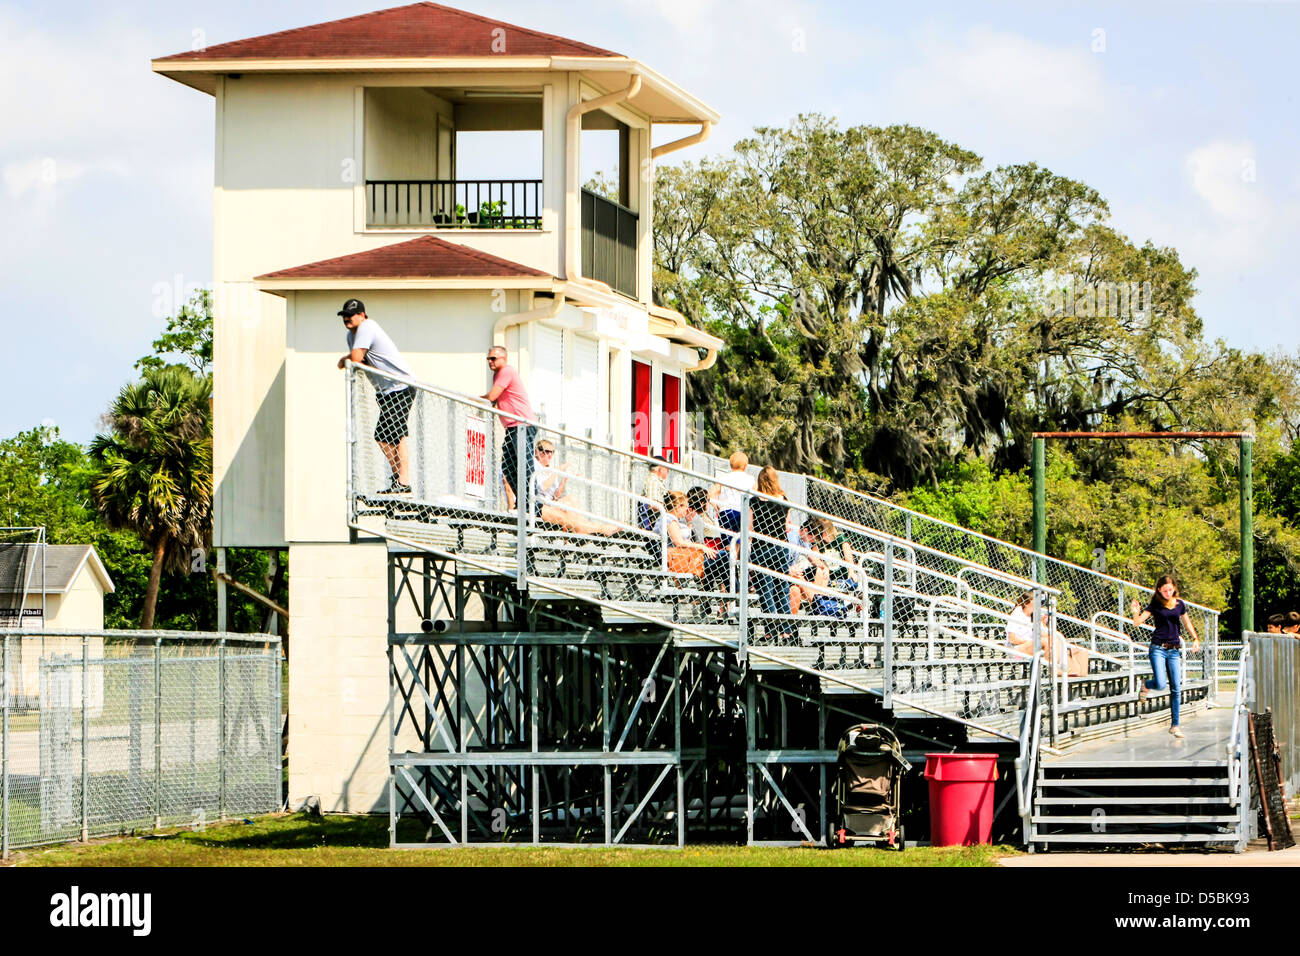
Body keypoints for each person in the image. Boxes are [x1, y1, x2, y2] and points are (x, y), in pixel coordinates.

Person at [336, 298, 414, 495]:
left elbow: (355, 359)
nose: (347, 318)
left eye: (351, 315)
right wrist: (349, 359)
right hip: (385, 391)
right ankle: (398, 478)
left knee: (398, 434)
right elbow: (355, 359)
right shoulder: (350, 336)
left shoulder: (367, 326)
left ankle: (404, 481)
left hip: (401, 386)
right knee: (382, 436)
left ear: (362, 315)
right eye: (344, 316)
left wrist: (346, 359)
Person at [1131, 574, 1200, 739]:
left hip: (1174, 650)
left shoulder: (1179, 605)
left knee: (1176, 688)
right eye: (1164, 590)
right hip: (1158, 648)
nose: (1168, 593)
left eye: (1170, 590)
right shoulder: (1155, 604)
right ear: (1159, 591)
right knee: (1161, 683)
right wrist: (1135, 612)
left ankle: (1175, 725)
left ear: (1174, 588)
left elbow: (1187, 622)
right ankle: (1147, 684)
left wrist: (1195, 638)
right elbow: (1137, 622)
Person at [480, 346, 535, 511]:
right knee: (508, 466)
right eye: (488, 359)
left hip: (522, 425)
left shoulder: (506, 371)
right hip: (512, 427)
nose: (490, 362)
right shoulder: (497, 375)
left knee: (524, 464)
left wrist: (475, 399)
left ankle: (531, 502)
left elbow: (492, 396)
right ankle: (523, 502)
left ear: (504, 359)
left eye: (493, 358)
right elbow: (494, 400)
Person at [531, 440, 619, 536]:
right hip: (540, 504)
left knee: (572, 500)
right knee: (568, 507)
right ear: (537, 451)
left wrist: (564, 480)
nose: (549, 455)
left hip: (550, 502)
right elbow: (542, 487)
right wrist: (557, 471)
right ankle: (590, 529)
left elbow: (556, 495)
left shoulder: (550, 468)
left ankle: (582, 528)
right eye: (546, 451)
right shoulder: (534, 465)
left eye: (552, 452)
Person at [749, 466, 793, 640]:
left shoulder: (754, 501)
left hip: (761, 547)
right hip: (781, 546)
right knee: (782, 589)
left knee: (765, 589)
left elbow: (750, 527)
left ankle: (771, 628)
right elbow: (787, 526)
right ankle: (787, 630)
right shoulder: (783, 499)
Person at [1005, 592, 1088, 678]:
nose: (1038, 605)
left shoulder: (1033, 616)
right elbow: (1012, 639)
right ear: (1026, 603)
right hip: (1015, 649)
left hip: (1029, 646)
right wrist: (1030, 641)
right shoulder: (1017, 613)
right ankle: (1054, 669)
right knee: (1046, 641)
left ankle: (1065, 667)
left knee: (1056, 638)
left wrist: (1042, 622)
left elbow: (1045, 634)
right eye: (1035, 602)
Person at [656, 490, 728, 588]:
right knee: (723, 557)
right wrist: (702, 547)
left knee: (721, 560)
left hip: (686, 556)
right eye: (685, 506)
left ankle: (711, 595)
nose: (687, 509)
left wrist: (689, 524)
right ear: (678, 507)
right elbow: (679, 542)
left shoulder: (670, 518)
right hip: (681, 558)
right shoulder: (669, 520)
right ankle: (735, 592)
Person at [711, 451, 755, 538]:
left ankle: (729, 550)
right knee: (742, 541)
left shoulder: (723, 478)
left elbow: (711, 494)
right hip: (743, 512)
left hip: (726, 511)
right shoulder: (750, 479)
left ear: (731, 464)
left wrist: (717, 507)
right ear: (746, 465)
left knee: (728, 541)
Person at [639, 455, 670, 530]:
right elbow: (652, 504)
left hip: (658, 517)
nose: (668, 470)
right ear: (660, 469)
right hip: (653, 520)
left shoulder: (657, 481)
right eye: (666, 468)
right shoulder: (653, 481)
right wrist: (669, 509)